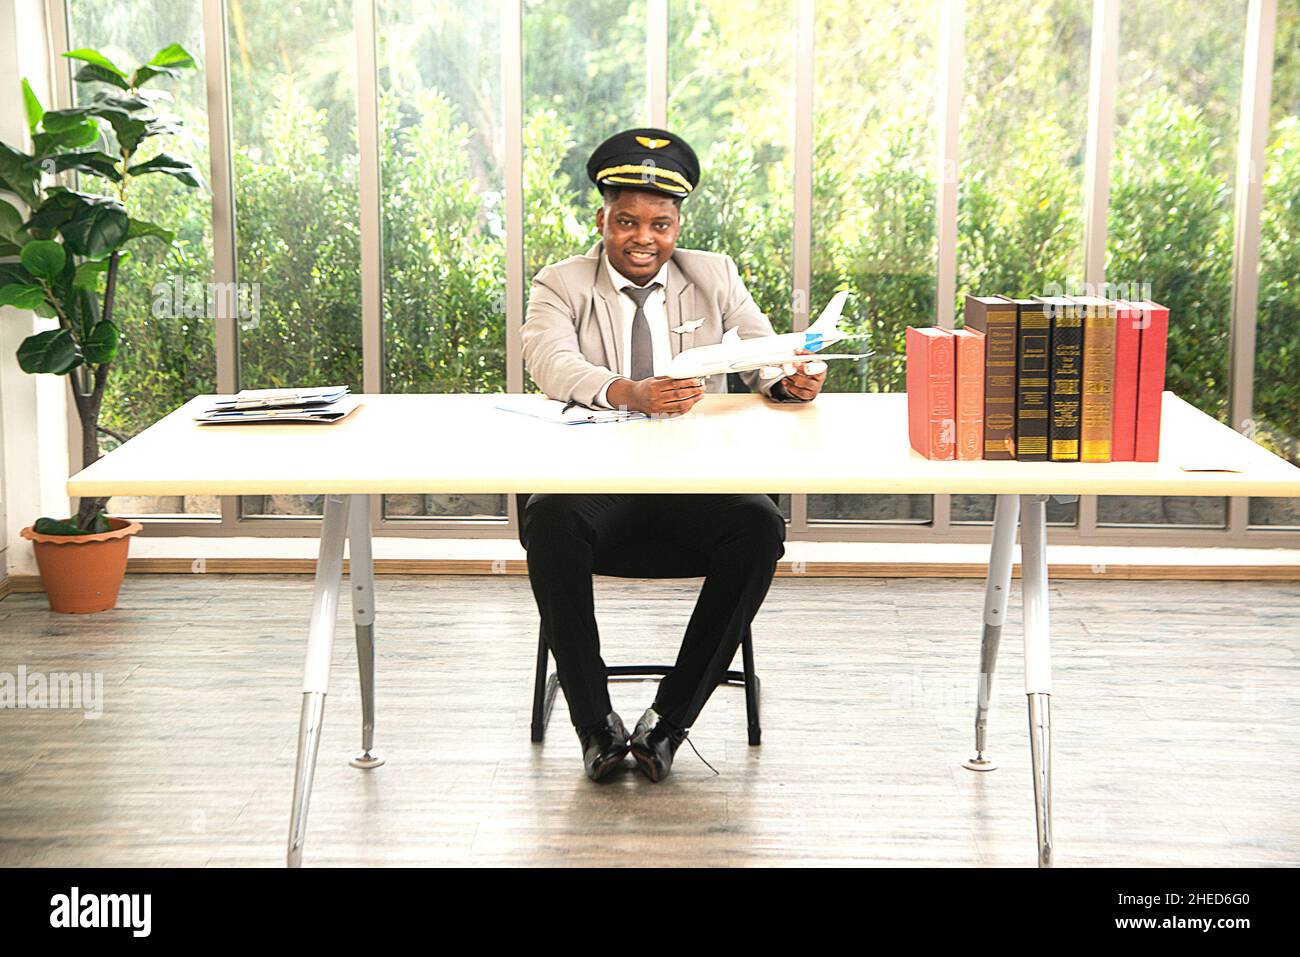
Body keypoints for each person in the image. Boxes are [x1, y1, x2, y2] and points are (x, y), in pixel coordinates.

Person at [519, 127, 826, 782]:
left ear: (677, 223)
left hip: (695, 488)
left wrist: (787, 381)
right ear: (602, 219)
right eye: (626, 221)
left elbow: (761, 353)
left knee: (760, 525)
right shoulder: (561, 281)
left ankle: (669, 721)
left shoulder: (711, 275)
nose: (643, 238)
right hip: (598, 489)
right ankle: (596, 723)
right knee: (547, 517)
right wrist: (627, 390)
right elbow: (547, 360)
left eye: (660, 224)